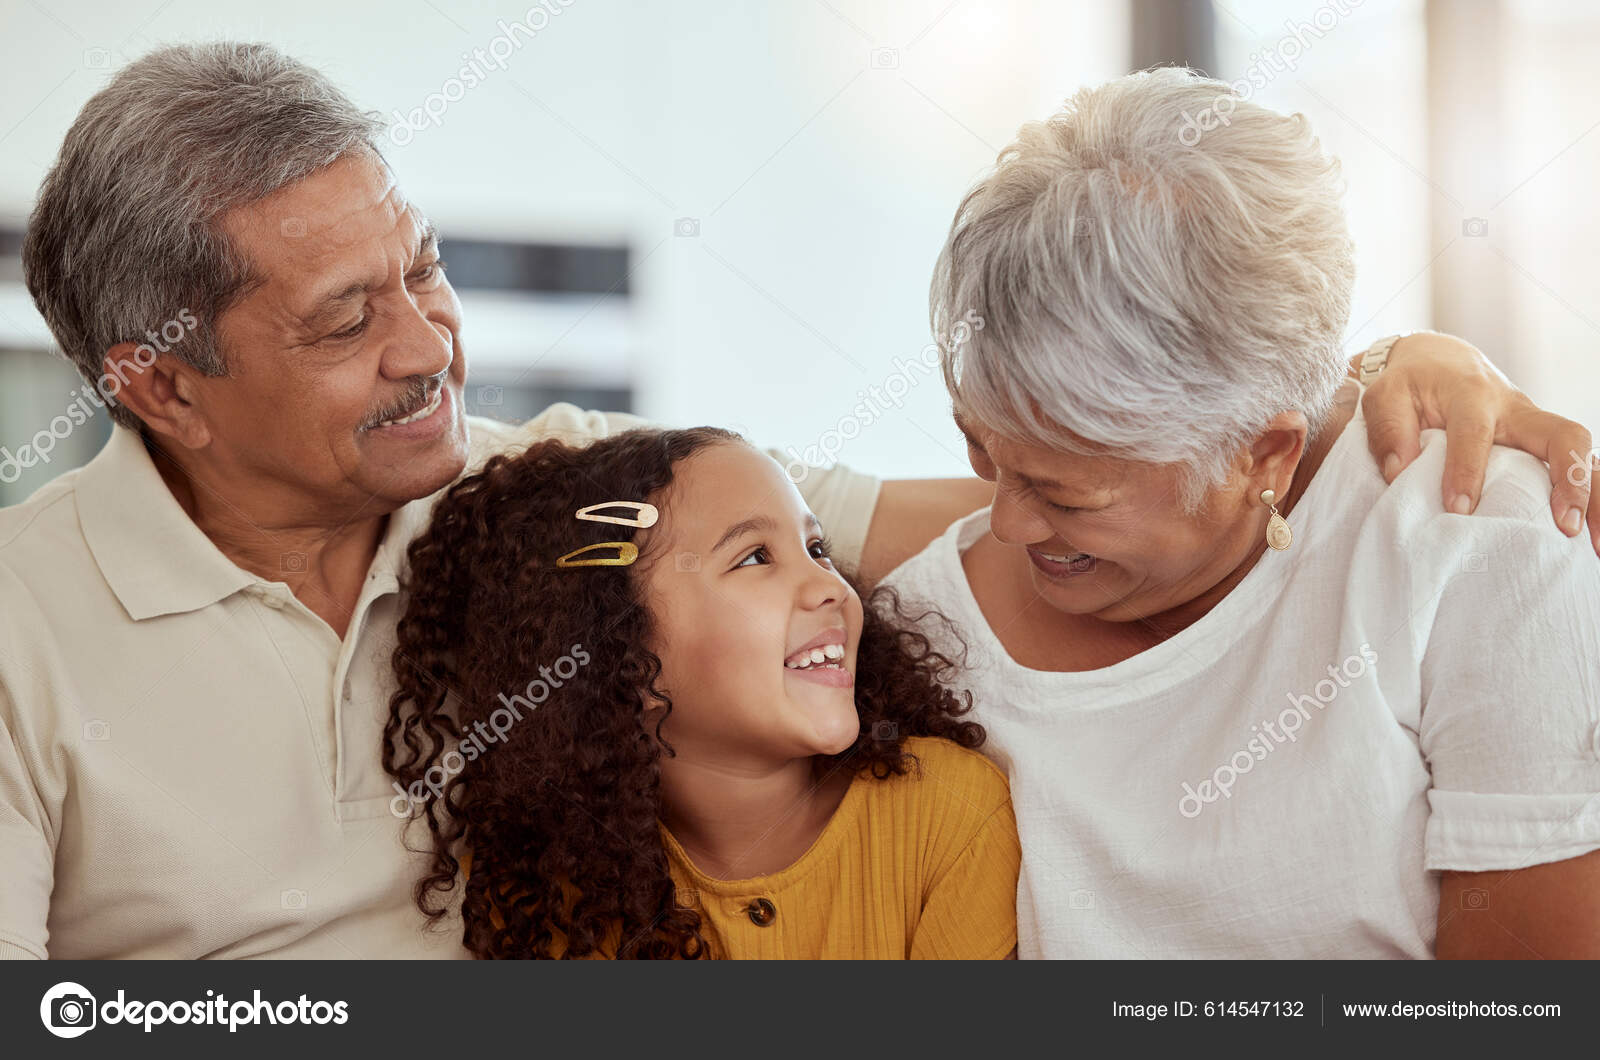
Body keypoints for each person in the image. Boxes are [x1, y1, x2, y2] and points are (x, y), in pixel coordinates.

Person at [0, 42, 1588, 959]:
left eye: (425, 269)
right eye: (348, 321)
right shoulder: (26, 627)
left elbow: (1032, 495)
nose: (431, 348)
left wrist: (1382, 362)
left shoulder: (563, 495)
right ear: (155, 379)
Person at [880, 67, 1600, 959]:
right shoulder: (917, 628)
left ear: (1265, 453)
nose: (1008, 523)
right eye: (983, 453)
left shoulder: (1479, 545)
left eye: (1065, 495)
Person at [383, 427, 1019, 959]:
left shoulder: (952, 814)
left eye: (816, 548)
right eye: (753, 558)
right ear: (621, 656)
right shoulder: (540, 893)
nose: (831, 587)